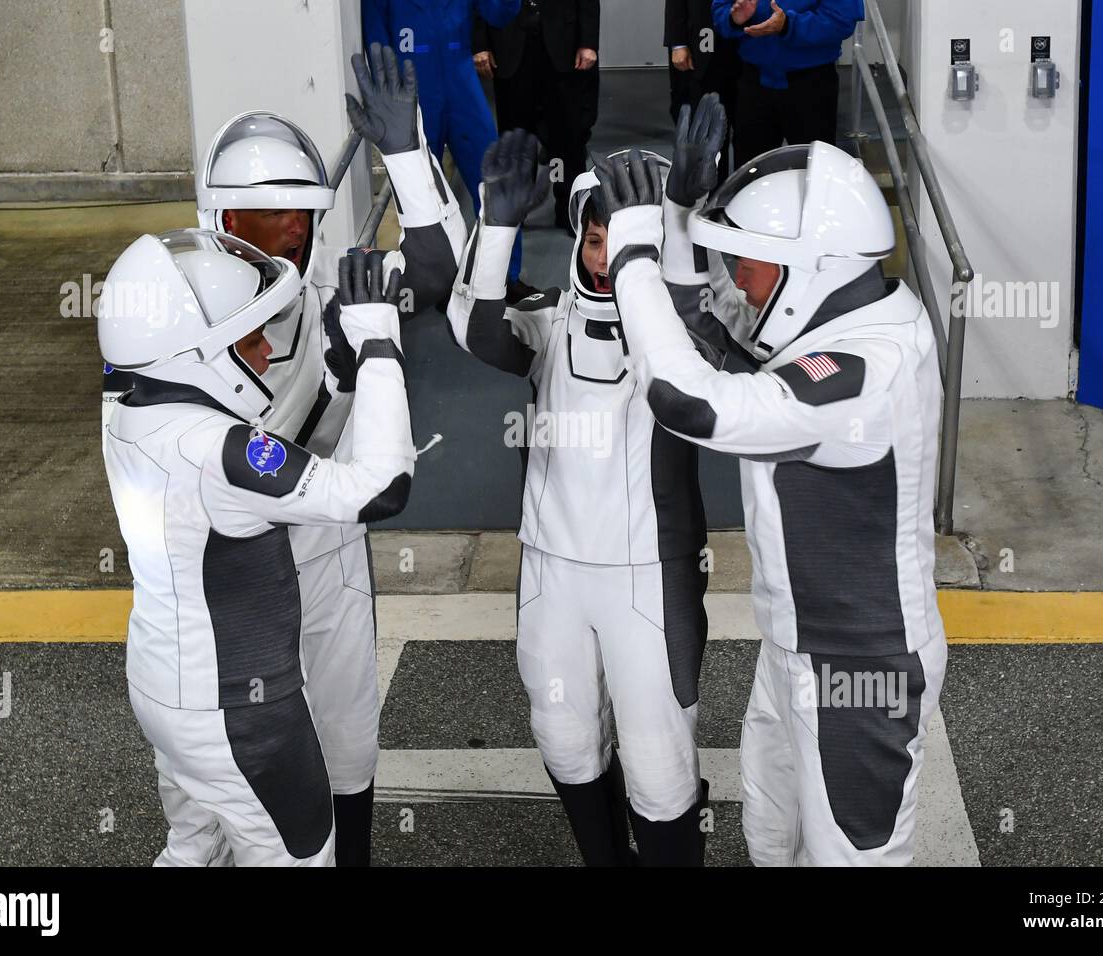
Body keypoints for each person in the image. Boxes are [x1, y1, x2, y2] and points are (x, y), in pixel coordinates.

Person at [102, 44, 466, 866]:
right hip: (223, 604)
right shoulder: (178, 322)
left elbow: (437, 274)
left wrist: (405, 153)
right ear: (215, 221)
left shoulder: (339, 308)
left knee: (342, 763)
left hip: (322, 568)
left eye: (297, 221)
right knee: (215, 822)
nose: (284, 240)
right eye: (258, 224)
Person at [596, 95, 947, 866]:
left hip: (861, 672)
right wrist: (685, 213)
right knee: (771, 839)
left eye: (750, 261)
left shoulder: (863, 373)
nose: (740, 280)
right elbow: (708, 329)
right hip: (798, 648)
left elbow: (692, 399)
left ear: (813, 265)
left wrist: (632, 254)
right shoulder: (846, 321)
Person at [446, 129, 723, 866]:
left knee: (661, 772)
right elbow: (476, 331)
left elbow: (698, 336)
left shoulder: (681, 333)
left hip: (647, 580)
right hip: (552, 574)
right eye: (596, 240)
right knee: (566, 741)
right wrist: (497, 221)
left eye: (625, 242)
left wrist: (687, 215)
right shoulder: (549, 317)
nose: (604, 260)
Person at [100, 234, 415, 866]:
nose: (267, 351)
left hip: (164, 693)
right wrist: (380, 343)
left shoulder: (123, 405)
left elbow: (283, 471)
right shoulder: (218, 451)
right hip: (241, 715)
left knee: (194, 850)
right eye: (247, 341)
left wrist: (339, 378)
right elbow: (382, 489)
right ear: (196, 356)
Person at [363, 0, 536, 300]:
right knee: (421, 191)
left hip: (460, 77)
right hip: (412, 84)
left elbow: (500, 13)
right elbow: (376, 33)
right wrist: (387, 95)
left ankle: (504, 277)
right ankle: (440, 280)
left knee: (496, 182)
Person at [473, 0, 600, 234]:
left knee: (565, 138)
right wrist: (480, 43)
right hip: (508, 45)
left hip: (563, 44)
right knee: (515, 138)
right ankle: (513, 212)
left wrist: (588, 42)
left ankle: (569, 208)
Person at [712, 0, 861, 164]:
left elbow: (842, 21)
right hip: (754, 84)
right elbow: (720, 10)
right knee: (752, 173)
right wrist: (734, 20)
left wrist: (788, 25)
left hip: (811, 86)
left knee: (813, 172)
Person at [665, 0, 740, 179]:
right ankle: (708, 196)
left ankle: (743, 195)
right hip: (699, 46)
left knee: (748, 133)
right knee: (704, 130)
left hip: (746, 49)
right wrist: (677, 43)